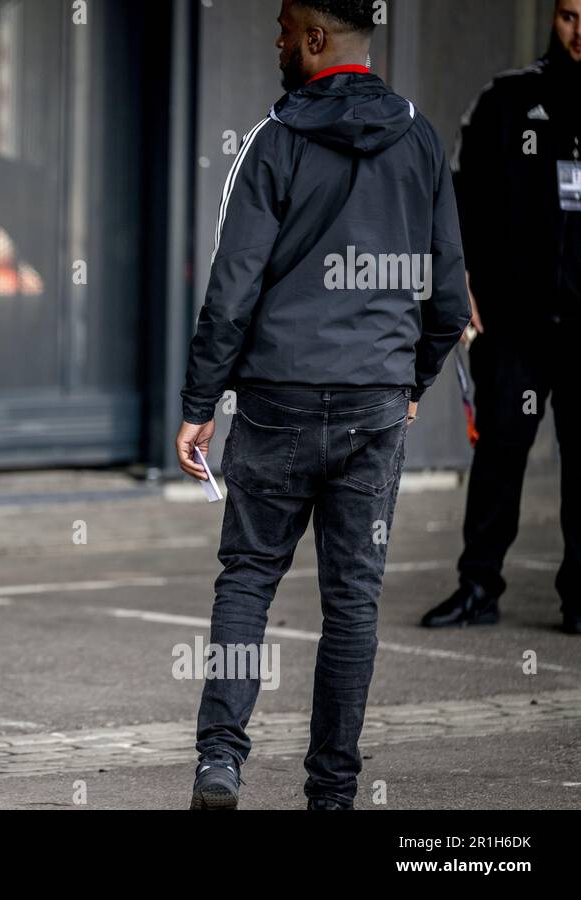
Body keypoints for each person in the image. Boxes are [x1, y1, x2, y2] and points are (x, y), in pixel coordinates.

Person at [175, 0, 470, 810]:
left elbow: (230, 291)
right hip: (374, 404)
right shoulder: (420, 141)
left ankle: (221, 761)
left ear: (315, 39)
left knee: (246, 580)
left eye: (282, 29)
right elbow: (449, 292)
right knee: (353, 600)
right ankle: (332, 792)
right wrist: (408, 381)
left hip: (276, 400)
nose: (274, 42)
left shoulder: (272, 144)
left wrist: (201, 401)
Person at [421, 0, 581, 635]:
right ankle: (477, 586)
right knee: (499, 459)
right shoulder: (508, 100)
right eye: (570, 15)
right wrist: (458, 284)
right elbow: (455, 198)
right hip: (516, 325)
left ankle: (579, 601)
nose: (580, 31)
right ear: (553, 17)